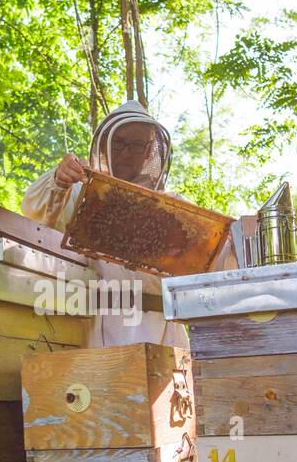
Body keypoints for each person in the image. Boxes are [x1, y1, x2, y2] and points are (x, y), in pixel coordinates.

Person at [22, 100, 197, 348]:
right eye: (119, 143)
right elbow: (33, 215)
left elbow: (201, 270)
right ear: (104, 144)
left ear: (150, 150)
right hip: (94, 331)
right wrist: (59, 180)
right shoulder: (76, 195)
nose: (127, 152)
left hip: (163, 334)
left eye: (138, 145)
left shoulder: (173, 207)